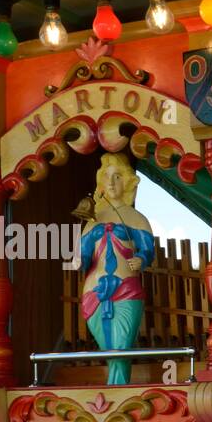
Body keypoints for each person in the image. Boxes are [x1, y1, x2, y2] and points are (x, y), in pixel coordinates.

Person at [77, 152, 156, 385]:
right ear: (101, 182)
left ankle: (116, 392)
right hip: (94, 292)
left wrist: (142, 258)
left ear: (129, 182)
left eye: (118, 177)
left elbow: (148, 249)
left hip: (126, 289)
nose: (112, 183)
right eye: (108, 177)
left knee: (121, 347)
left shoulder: (137, 218)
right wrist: (78, 259)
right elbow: (83, 255)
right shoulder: (92, 220)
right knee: (108, 349)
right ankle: (117, 392)